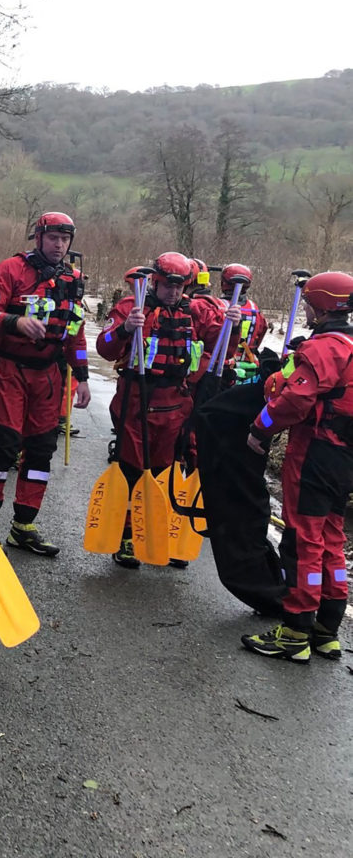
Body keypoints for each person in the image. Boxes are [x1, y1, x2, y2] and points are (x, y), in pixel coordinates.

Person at [96, 251, 242, 569]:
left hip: (176, 401)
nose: (174, 293)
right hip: (135, 398)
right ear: (156, 282)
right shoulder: (132, 306)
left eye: (180, 287)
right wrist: (124, 330)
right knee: (133, 470)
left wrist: (233, 326)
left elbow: (222, 350)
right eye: (168, 286)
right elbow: (105, 348)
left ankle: (154, 534)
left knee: (164, 472)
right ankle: (126, 537)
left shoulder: (195, 313)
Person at [242, 271, 353, 662]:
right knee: (331, 539)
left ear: (321, 306)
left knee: (302, 540)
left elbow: (293, 403)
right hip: (344, 461)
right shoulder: (345, 345)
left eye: (309, 303)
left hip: (314, 457)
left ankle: (294, 632)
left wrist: (260, 429)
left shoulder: (323, 350)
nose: (304, 308)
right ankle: (327, 628)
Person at [0, 211, 91, 556]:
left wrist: (82, 377)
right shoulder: (10, 270)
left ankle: (23, 526)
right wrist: (14, 322)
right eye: (53, 237)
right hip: (11, 367)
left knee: (41, 450)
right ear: (38, 238)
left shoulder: (73, 279)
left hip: (49, 373)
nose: (59, 244)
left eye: (65, 239)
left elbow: (75, 333)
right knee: (5, 445)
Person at [219, 263, 268, 384]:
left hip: (225, 366)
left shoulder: (218, 307)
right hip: (249, 365)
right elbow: (261, 334)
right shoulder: (255, 309)